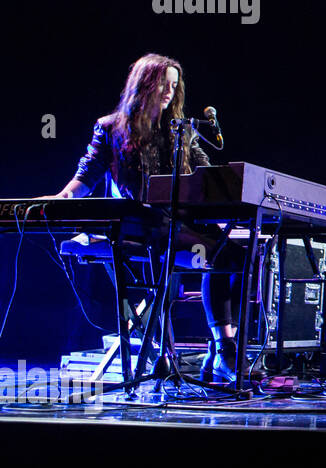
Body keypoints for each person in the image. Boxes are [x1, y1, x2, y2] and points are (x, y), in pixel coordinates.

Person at [54, 53, 244, 383]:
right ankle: (192, 352)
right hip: (138, 225)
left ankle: (221, 349)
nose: (170, 92)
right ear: (144, 85)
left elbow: (209, 179)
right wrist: (57, 201)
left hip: (179, 225)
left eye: (174, 85)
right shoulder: (111, 128)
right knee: (215, 255)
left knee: (232, 254)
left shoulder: (181, 133)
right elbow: (84, 179)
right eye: (163, 84)